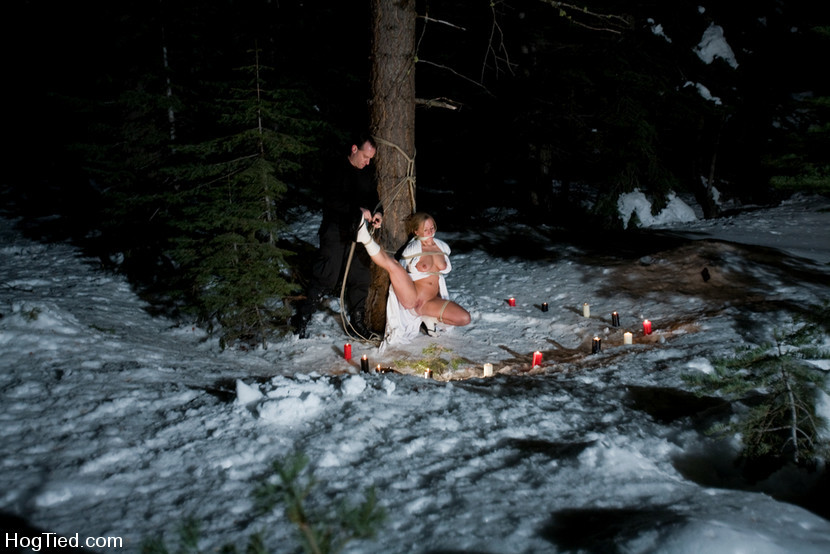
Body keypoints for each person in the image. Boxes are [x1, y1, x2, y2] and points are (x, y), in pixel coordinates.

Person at [292, 134, 383, 339]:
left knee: (361, 276)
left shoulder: (367, 172)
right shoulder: (336, 169)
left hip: (359, 231)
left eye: (370, 159)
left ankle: (357, 322)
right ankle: (303, 318)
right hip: (336, 228)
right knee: (327, 275)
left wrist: (378, 213)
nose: (368, 162)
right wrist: (357, 210)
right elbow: (332, 200)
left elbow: (373, 199)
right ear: (354, 149)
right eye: (365, 157)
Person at [356, 211, 470, 346]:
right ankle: (365, 238)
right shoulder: (412, 250)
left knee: (465, 318)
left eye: (432, 227)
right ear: (416, 232)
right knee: (393, 265)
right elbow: (404, 271)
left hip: (431, 301)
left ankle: (429, 317)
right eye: (425, 229)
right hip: (414, 298)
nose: (430, 231)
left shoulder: (443, 247)